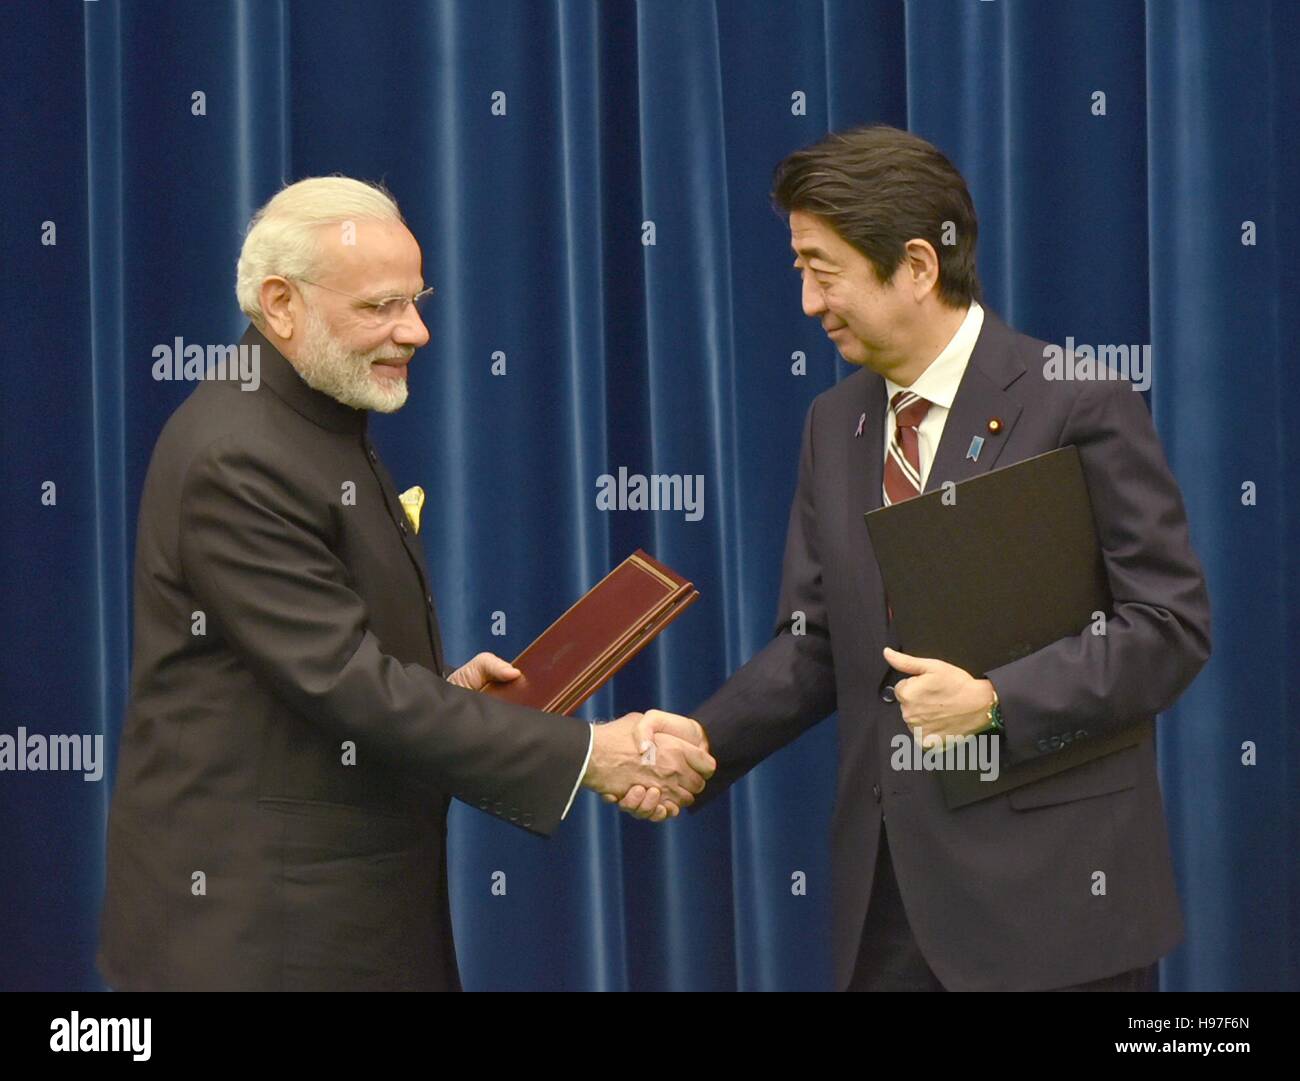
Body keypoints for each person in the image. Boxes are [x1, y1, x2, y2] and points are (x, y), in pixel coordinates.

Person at [624, 126, 1211, 991]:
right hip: (888, 908)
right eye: (799, 271)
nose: (808, 304)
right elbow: (816, 642)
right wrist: (705, 737)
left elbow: (1166, 628)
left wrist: (995, 703)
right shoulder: (836, 423)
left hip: (1051, 905)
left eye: (823, 271)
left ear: (918, 266)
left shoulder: (1077, 401)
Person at [98, 176, 713, 991]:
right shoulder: (239, 454)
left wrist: (445, 687)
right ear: (281, 304)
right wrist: (589, 752)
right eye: (381, 307)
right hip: (261, 938)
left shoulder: (308, 415)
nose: (416, 330)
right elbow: (347, 685)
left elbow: (329, 665)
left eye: (416, 301)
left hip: (338, 917)